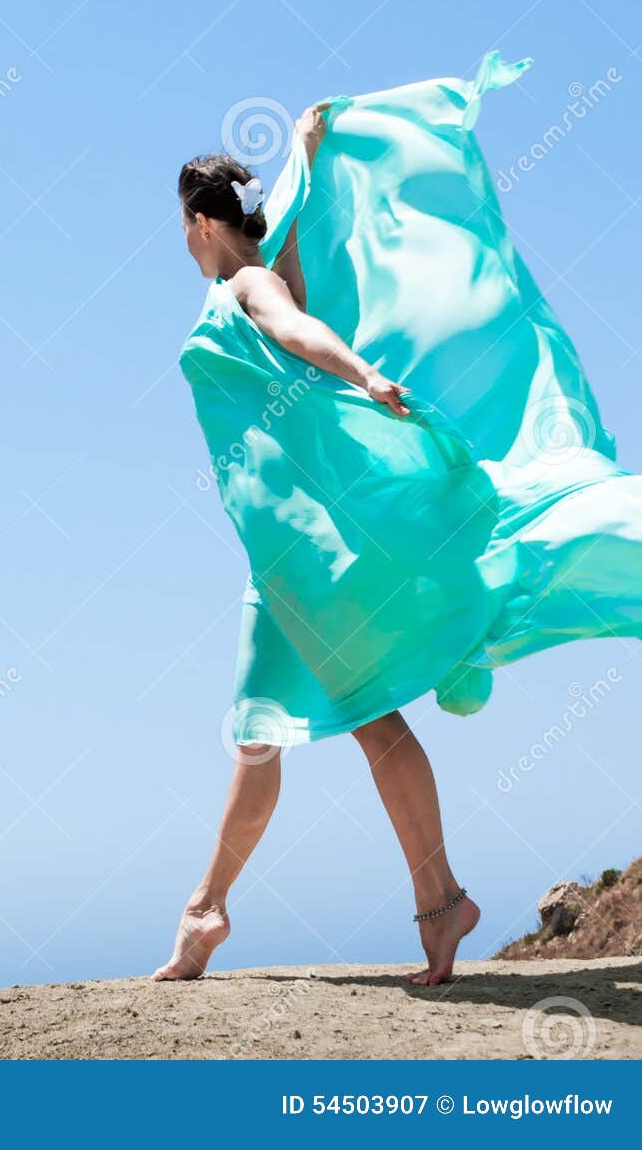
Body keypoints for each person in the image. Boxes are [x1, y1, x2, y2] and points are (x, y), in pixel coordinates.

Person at [155, 54, 642, 987]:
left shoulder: (245, 289)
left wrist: (363, 376)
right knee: (282, 733)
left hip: (310, 560)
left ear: (196, 223)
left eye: (181, 230)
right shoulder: (270, 266)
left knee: (293, 733)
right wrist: (300, 147)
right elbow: (290, 255)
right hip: (295, 560)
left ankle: (221, 913)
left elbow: (300, 331)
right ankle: (265, 909)